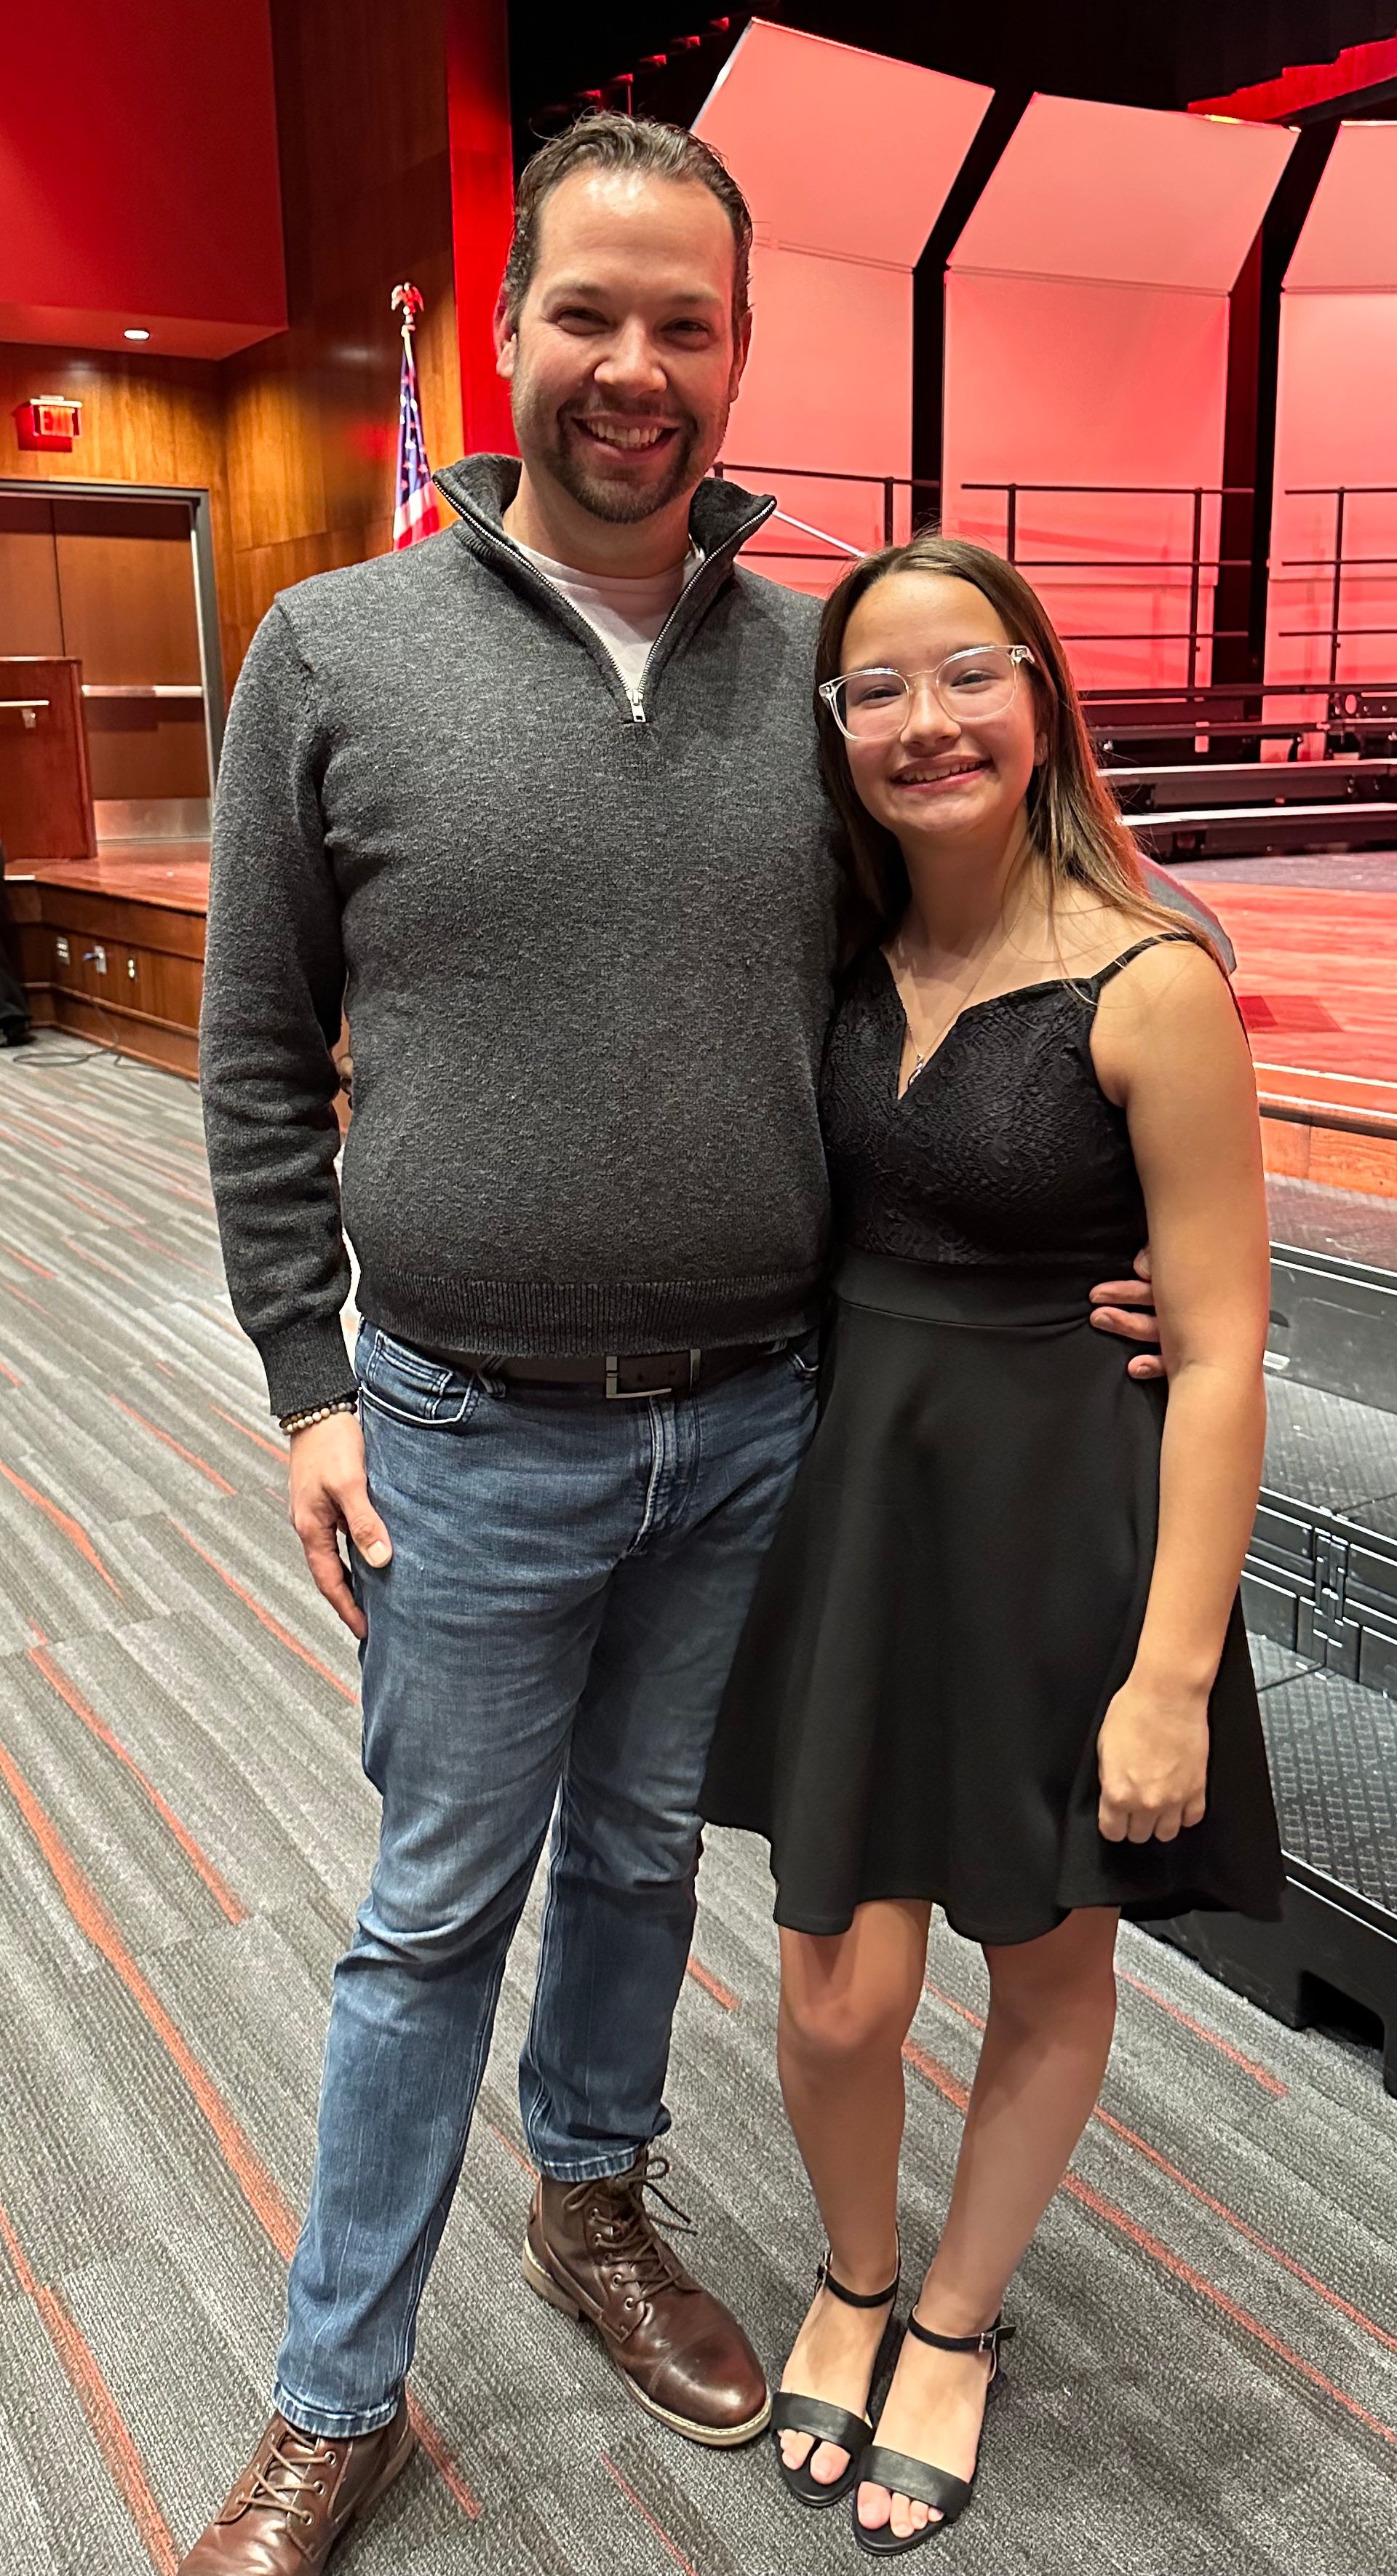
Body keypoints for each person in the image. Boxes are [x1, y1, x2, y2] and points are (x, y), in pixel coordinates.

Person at [186, 114, 1214, 2574]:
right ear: (504, 326)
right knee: (433, 1908)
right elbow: (250, 1064)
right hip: (459, 1428)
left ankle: (597, 2198)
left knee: (649, 1863)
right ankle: (338, 2389)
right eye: (590, 313)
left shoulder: (824, 679)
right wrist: (309, 1386)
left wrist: (1116, 1234)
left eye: (688, 323)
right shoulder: (335, 648)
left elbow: (964, 974)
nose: (634, 366)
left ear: (740, 355)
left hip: (768, 1422)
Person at [702, 533, 1285, 2556]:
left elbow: (1217, 1352)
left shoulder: (1151, 979)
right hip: (867, 1508)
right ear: (836, 728)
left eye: (969, 672)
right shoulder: (837, 960)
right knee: (839, 1990)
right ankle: (852, 2272)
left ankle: (952, 2315)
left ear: (1040, 695)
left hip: (1062, 1535)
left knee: (1043, 1962)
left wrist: (1173, 1674)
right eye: (876, 686)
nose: (926, 719)